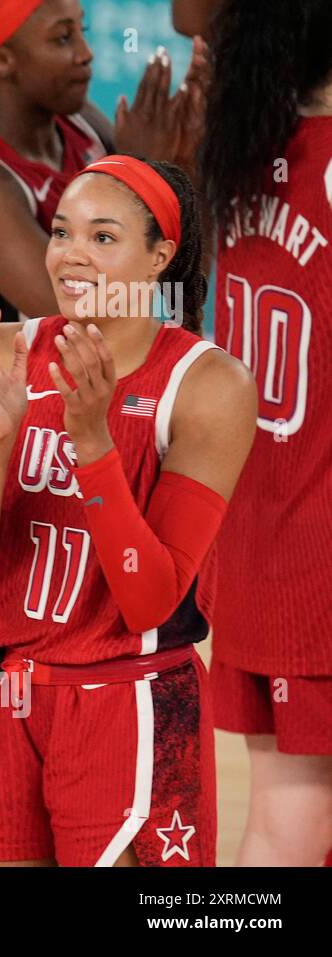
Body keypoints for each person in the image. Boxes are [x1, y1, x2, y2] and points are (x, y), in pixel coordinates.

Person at [0, 156, 256, 866]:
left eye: (104, 237)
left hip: (127, 707)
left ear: (159, 257)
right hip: (0, 697)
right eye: (61, 232)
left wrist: (94, 442)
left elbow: (149, 598)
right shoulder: (8, 353)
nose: (73, 254)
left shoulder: (208, 386)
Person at [0, 0, 201, 671]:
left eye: (84, 33)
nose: (86, 55)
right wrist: (149, 177)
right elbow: (79, 319)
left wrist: (179, 164)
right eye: (62, 39)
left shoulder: (84, 133)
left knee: (96, 662)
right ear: (1, 60)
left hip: (87, 432)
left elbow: (161, 288)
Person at [193, 0, 332, 867]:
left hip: (251, 543)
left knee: (288, 814)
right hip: (314, 554)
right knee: (292, 826)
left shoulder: (243, 148)